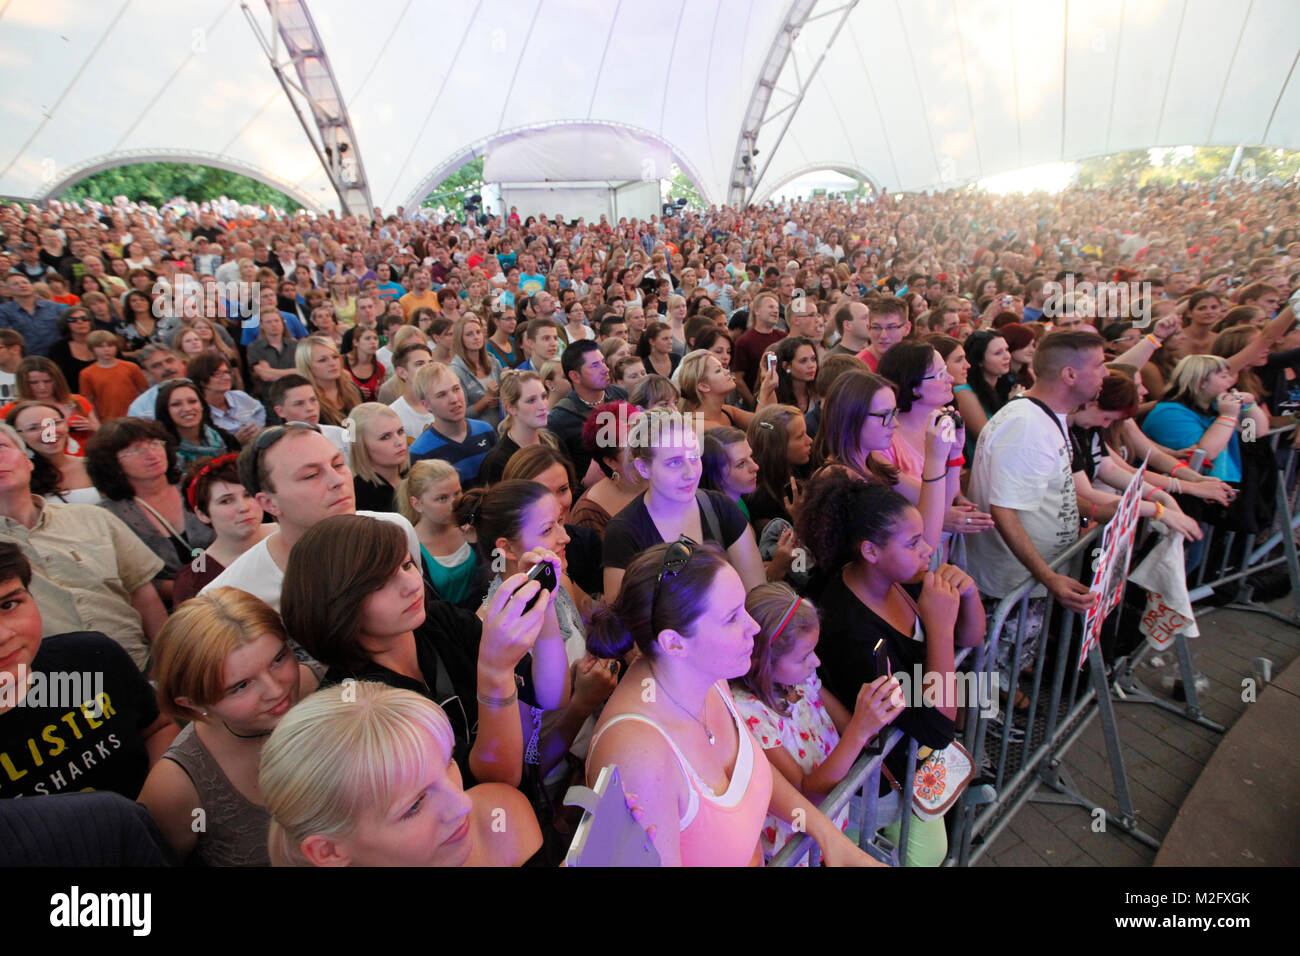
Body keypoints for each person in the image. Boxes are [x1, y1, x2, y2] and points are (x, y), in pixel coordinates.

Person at [585, 540, 877, 866]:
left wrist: (826, 834)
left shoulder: (710, 677)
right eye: (731, 618)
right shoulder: (636, 758)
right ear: (674, 643)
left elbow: (750, 771)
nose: (753, 627)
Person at [281, 514, 567, 789]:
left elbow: (551, 695)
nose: (411, 585)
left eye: (406, 565)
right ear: (336, 605)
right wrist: (495, 672)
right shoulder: (353, 706)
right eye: (380, 582)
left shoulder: (440, 622)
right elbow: (497, 779)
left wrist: (542, 602)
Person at [796, 475, 984, 865]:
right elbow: (938, 726)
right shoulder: (852, 633)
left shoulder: (902, 578)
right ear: (870, 551)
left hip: (913, 757)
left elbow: (975, 637)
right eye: (913, 543)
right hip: (880, 777)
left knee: (934, 849)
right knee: (925, 856)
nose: (928, 550)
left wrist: (968, 596)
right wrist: (939, 626)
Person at [259, 683, 541, 866]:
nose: (463, 804)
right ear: (329, 851)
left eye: (447, 762)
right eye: (415, 805)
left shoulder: (498, 819)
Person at [137, 588, 319, 865]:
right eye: (241, 686)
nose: (275, 689)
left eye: (278, 659)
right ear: (192, 704)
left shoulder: (330, 687)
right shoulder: (176, 787)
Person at [966, 331, 1107, 688]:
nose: (1106, 373)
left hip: (1029, 580)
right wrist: (1050, 577)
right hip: (1012, 583)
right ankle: (982, 734)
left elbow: (1053, 491)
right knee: (991, 673)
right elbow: (1004, 512)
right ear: (1070, 375)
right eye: (1100, 365)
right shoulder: (1026, 427)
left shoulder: (1046, 416)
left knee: (1009, 664)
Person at [731, 582, 905, 864]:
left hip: (828, 827)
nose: (816, 661)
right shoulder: (749, 715)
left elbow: (847, 725)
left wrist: (874, 711)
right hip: (794, 845)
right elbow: (806, 790)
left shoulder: (803, 681)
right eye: (803, 657)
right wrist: (860, 730)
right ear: (760, 661)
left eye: (813, 650)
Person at [0, 543, 178, 799]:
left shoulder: (92, 656)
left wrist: (154, 810)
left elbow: (157, 728)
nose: (4, 635)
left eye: (9, 605)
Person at [200, 423, 420, 612]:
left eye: (338, 464)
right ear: (269, 503)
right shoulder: (235, 595)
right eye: (311, 475)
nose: (337, 480)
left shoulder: (395, 529)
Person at [602, 408, 764, 600]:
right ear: (643, 468)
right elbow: (622, 622)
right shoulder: (624, 534)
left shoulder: (722, 509)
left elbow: (757, 598)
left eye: (694, 457)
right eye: (674, 462)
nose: (691, 473)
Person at [85, 418, 215, 606]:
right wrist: (193, 589)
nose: (151, 454)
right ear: (112, 464)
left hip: (232, 585)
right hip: (168, 608)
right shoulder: (108, 515)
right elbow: (129, 580)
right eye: (135, 450)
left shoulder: (197, 485)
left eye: (154, 443)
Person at [173, 454, 273, 604]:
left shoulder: (292, 534)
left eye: (247, 494)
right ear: (202, 514)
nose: (243, 507)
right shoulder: (196, 579)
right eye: (226, 501)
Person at [397, 459, 484, 607]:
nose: (454, 503)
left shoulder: (471, 526)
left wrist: (480, 544)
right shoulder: (409, 549)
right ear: (416, 503)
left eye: (457, 493)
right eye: (442, 498)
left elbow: (498, 570)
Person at [546, 339, 627, 484]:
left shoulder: (621, 396)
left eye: (603, 362)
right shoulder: (560, 420)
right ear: (575, 376)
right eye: (595, 365)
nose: (605, 369)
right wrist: (585, 484)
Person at [407, 362, 497, 485]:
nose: (454, 399)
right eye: (441, 395)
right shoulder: (420, 452)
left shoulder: (485, 430)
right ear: (426, 405)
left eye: (456, 389)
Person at [4, 401, 97, 504]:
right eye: (33, 428)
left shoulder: (93, 465)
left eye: (55, 423)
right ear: (17, 436)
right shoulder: (16, 477)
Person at [477, 369, 554, 486]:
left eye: (544, 396)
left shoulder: (553, 442)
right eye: (531, 400)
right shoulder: (498, 461)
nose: (543, 406)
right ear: (511, 408)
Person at [154, 377, 240, 469]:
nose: (187, 408)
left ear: (202, 405)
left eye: (192, 401)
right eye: (176, 404)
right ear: (165, 411)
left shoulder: (225, 438)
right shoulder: (162, 452)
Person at [955, 329, 1014, 460]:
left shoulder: (1005, 383)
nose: (1007, 356)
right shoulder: (965, 392)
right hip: (984, 464)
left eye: (1007, 349)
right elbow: (988, 439)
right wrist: (1014, 405)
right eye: (998, 353)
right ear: (980, 360)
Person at [348, 402, 409, 513]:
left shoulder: (414, 475)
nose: (399, 442)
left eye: (400, 431)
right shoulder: (359, 497)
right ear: (362, 446)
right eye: (385, 437)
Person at [678, 349, 753, 433]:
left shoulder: (725, 410)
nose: (727, 371)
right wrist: (765, 390)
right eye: (718, 370)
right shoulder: (697, 424)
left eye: (723, 368)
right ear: (703, 386)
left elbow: (760, 423)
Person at [78, 330, 148, 420]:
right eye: (100, 346)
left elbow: (144, 391)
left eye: (110, 345)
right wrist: (96, 423)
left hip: (135, 416)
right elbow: (89, 402)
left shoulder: (131, 367)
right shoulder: (86, 374)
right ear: (92, 349)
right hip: (107, 420)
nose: (106, 349)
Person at [295, 334, 362, 427]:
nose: (332, 363)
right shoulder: (307, 403)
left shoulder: (352, 389)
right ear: (307, 366)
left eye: (335, 357)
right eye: (322, 360)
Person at [449, 314, 504, 425]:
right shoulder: (455, 371)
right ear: (460, 339)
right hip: (477, 432)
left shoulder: (494, 362)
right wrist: (485, 400)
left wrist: (499, 401)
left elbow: (506, 397)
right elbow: (461, 414)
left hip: (501, 427)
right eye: (469, 334)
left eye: (478, 332)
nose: (476, 337)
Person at [343, 325, 385, 403]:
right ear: (355, 342)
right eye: (367, 338)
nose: (373, 342)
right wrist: (354, 393)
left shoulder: (379, 368)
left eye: (375, 338)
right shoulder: (342, 363)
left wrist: (379, 393)